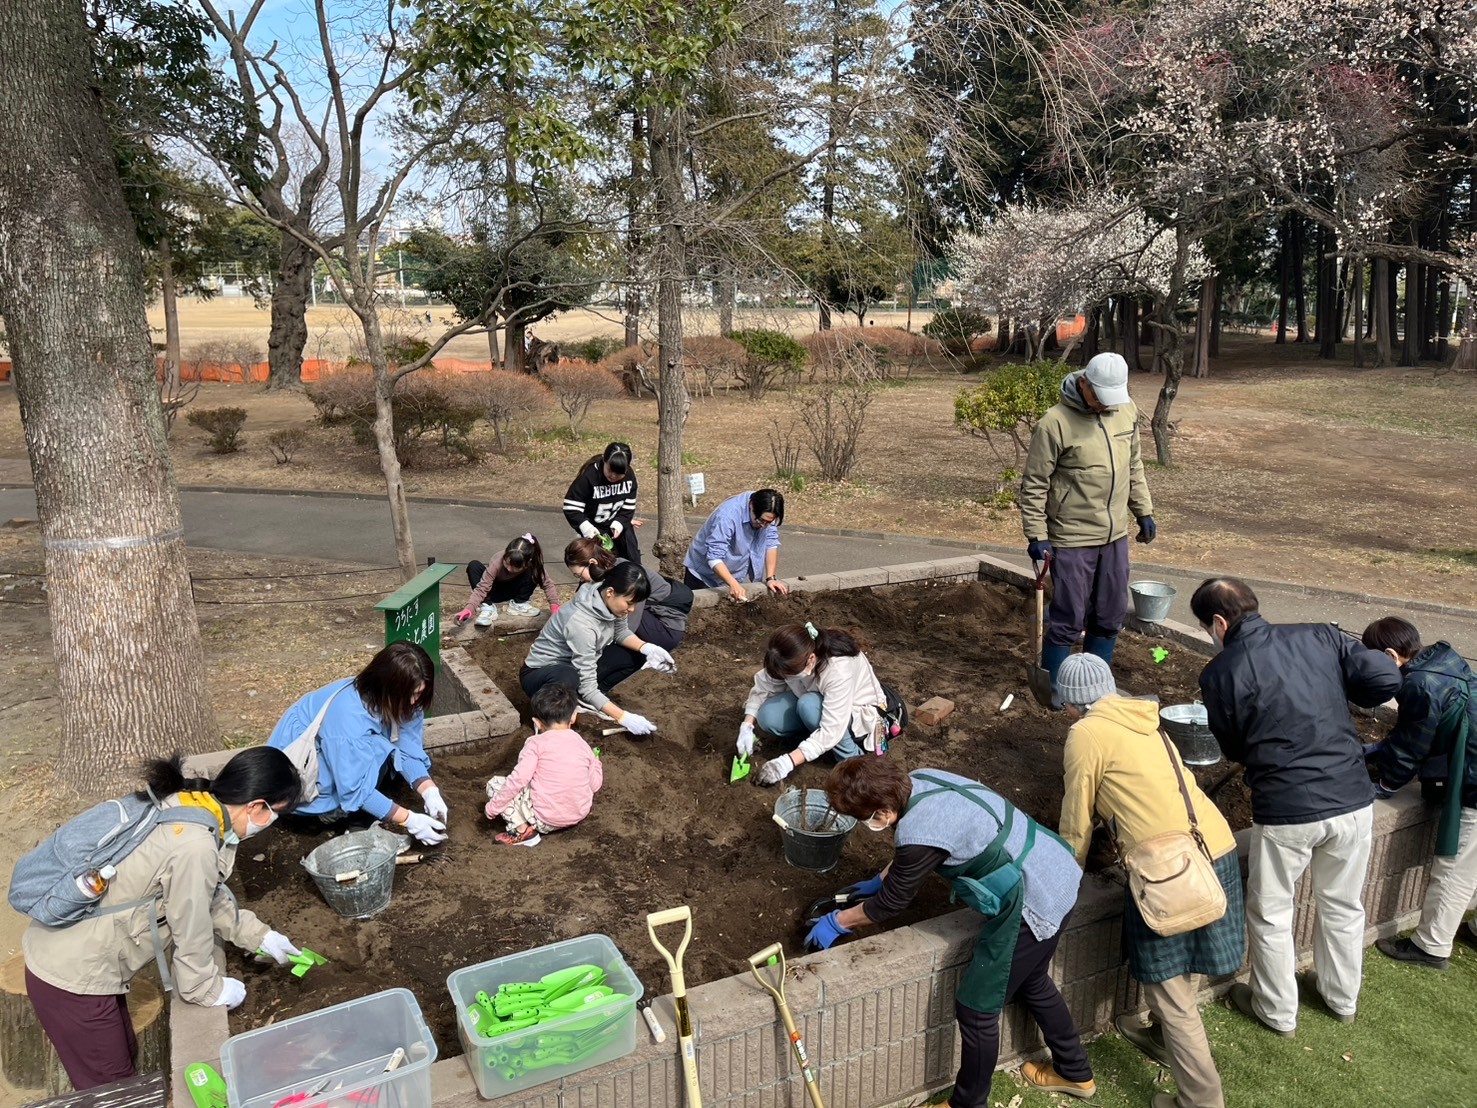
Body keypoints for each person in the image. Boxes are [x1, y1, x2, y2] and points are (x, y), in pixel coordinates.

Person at [807, 758, 1094, 1105]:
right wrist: (879, 880)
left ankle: (969, 1103)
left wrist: (838, 921)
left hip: (1034, 902)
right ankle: (1075, 1072)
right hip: (1055, 869)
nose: (864, 824)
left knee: (977, 1010)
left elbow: (890, 903)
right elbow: (922, 849)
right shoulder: (921, 779)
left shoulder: (917, 832)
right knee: (1032, 980)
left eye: (863, 817)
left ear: (883, 811)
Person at [23, 749, 303, 1090]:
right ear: (257, 806)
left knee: (123, 1059)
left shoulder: (191, 803)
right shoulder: (195, 843)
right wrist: (208, 989)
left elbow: (204, 894)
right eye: (275, 814)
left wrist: (258, 936)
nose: (270, 824)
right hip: (72, 976)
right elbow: (192, 924)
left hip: (77, 956)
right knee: (113, 1090)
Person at [1194, 577, 1401, 1035]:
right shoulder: (1320, 636)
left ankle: (1276, 1009)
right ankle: (1340, 996)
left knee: (1271, 910)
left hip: (1287, 808)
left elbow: (1230, 746)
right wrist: (1352, 695)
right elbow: (1386, 676)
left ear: (1219, 623)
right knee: (1344, 904)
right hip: (1351, 798)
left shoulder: (1220, 674)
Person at [1056, 654, 1242, 1108]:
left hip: (1167, 871)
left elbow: (1076, 818)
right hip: (1215, 849)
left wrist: (1062, 875)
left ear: (1074, 703)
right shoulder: (1146, 719)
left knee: (1170, 993)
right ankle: (1161, 1039)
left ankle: (1201, 1101)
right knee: (1188, 964)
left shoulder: (1086, 733)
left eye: (1064, 704)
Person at [1019, 352, 1155, 699]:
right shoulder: (1055, 423)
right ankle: (1056, 690)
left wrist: (1143, 510)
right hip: (1072, 535)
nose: (1104, 406)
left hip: (1115, 535)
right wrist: (1037, 534)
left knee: (1110, 613)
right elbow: (1035, 482)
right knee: (1069, 615)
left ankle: (1096, 688)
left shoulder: (1125, 410)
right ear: (1085, 384)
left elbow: (1133, 465)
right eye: (1100, 398)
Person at [1361, 617, 1477, 971]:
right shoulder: (1443, 661)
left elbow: (1413, 746)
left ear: (1391, 655)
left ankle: (1431, 946)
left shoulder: (1420, 683)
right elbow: (1429, 726)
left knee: (1456, 865)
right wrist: (1379, 750)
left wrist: (1384, 785)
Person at [267, 641, 449, 846]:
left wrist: (429, 791)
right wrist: (409, 820)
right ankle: (327, 815)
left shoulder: (401, 700)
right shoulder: (349, 718)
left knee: (384, 756)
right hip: (298, 771)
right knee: (369, 765)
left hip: (344, 751)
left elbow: (407, 748)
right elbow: (355, 789)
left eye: (419, 694)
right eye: (411, 695)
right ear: (387, 687)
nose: (414, 702)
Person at [520, 561, 673, 738]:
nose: (632, 610)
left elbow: (621, 632)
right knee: (568, 677)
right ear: (610, 593)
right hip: (541, 675)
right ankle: (548, 722)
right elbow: (587, 685)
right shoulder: (581, 624)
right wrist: (622, 717)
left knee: (637, 656)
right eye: (629, 603)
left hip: (575, 666)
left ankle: (583, 701)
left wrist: (647, 648)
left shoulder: (610, 602)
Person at [740, 622, 889, 785]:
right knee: (768, 716)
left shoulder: (838, 668)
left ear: (811, 659)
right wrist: (747, 726)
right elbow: (764, 687)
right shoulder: (787, 654)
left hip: (857, 711)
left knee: (809, 705)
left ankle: (851, 758)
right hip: (813, 700)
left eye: (791, 675)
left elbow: (832, 728)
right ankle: (813, 740)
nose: (786, 678)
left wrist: (788, 761)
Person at [564, 537, 693, 690]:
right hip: (645, 618)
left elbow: (628, 624)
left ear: (592, 563)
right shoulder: (607, 571)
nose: (580, 579)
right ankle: (598, 690)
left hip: (664, 625)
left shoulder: (627, 575)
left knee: (608, 656)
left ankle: (594, 690)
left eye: (579, 574)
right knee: (618, 650)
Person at [484, 683, 605, 847]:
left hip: (544, 819)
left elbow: (519, 779)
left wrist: (493, 807)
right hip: (578, 814)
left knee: (496, 784)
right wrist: (596, 763)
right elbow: (595, 785)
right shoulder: (582, 744)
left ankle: (522, 831)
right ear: (574, 717)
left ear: (537, 723)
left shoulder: (535, 744)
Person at [681, 488, 790, 601]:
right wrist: (733, 584)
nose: (764, 526)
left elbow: (770, 542)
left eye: (769, 522)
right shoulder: (726, 516)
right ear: (751, 506)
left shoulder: (767, 514)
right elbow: (714, 557)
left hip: (732, 572)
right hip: (703, 575)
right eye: (761, 521)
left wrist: (770, 578)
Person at [456, 533, 562, 628]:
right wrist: (469, 609)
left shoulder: (532, 563)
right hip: (492, 592)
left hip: (514, 591)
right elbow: (482, 588)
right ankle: (487, 607)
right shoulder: (497, 561)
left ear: (526, 562)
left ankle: (519, 604)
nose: (509, 569)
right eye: (507, 563)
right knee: (473, 565)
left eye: (515, 567)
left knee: (534, 571)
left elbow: (548, 584)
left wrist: (555, 606)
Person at [563, 442, 642, 564]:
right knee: (598, 565)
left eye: (619, 473)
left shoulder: (630, 476)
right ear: (604, 461)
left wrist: (620, 522)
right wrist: (587, 528)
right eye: (610, 470)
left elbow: (628, 506)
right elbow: (571, 507)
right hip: (594, 528)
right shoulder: (589, 476)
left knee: (632, 560)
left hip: (617, 526)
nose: (613, 476)